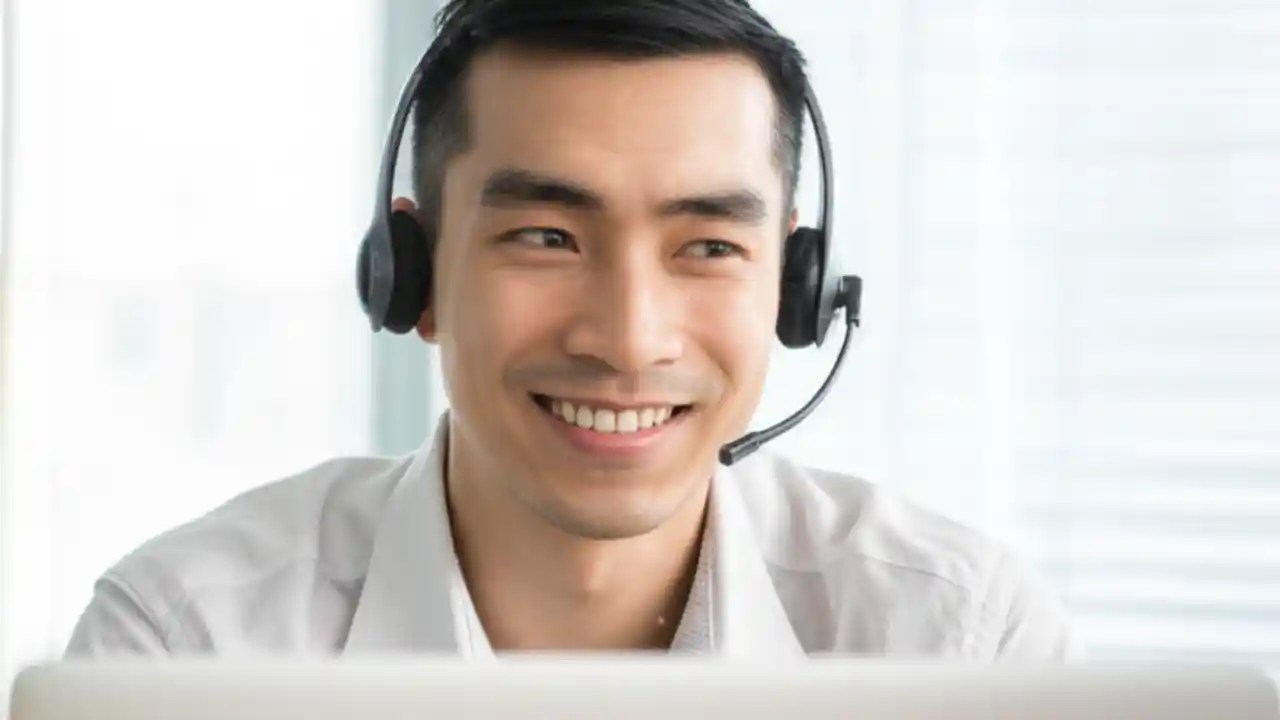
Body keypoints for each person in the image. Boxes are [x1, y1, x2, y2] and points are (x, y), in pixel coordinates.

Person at [67, 0, 1075, 659]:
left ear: (793, 289)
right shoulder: (188, 644)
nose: (628, 339)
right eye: (546, 236)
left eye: (708, 246)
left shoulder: (958, 640)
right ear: (408, 276)